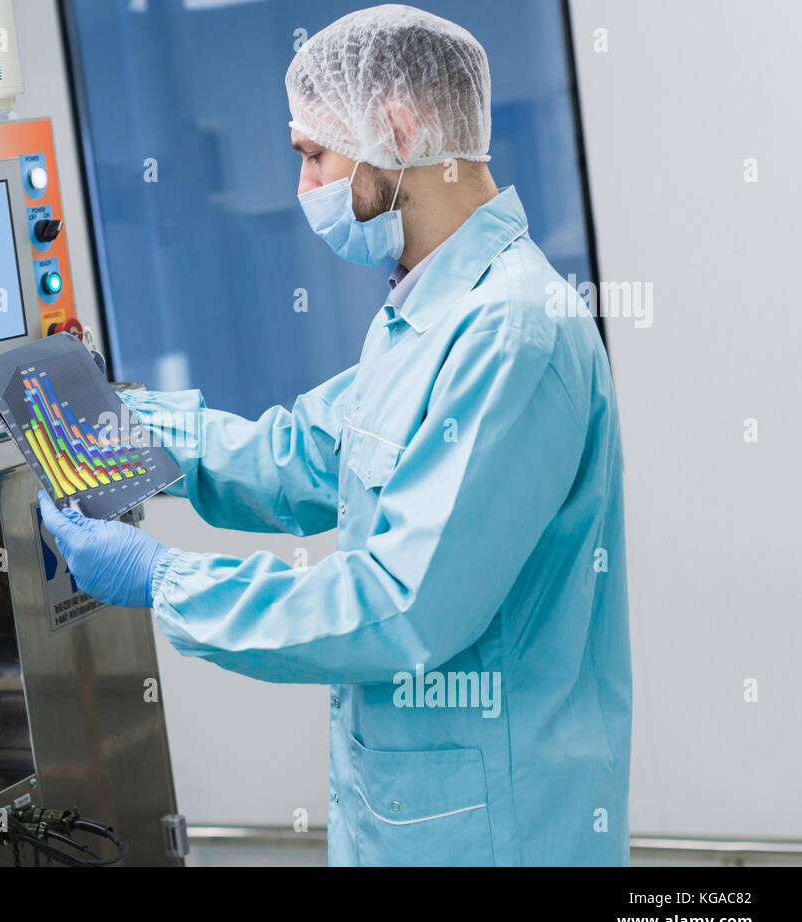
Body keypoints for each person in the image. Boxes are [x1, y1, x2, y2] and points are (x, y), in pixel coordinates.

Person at [38, 3, 630, 867]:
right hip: (414, 816)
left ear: (394, 129)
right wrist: (119, 428)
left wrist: (167, 581)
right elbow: (303, 457)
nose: (303, 184)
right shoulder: (431, 312)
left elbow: (399, 604)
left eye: (312, 153)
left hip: (493, 836)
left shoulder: (509, 334)